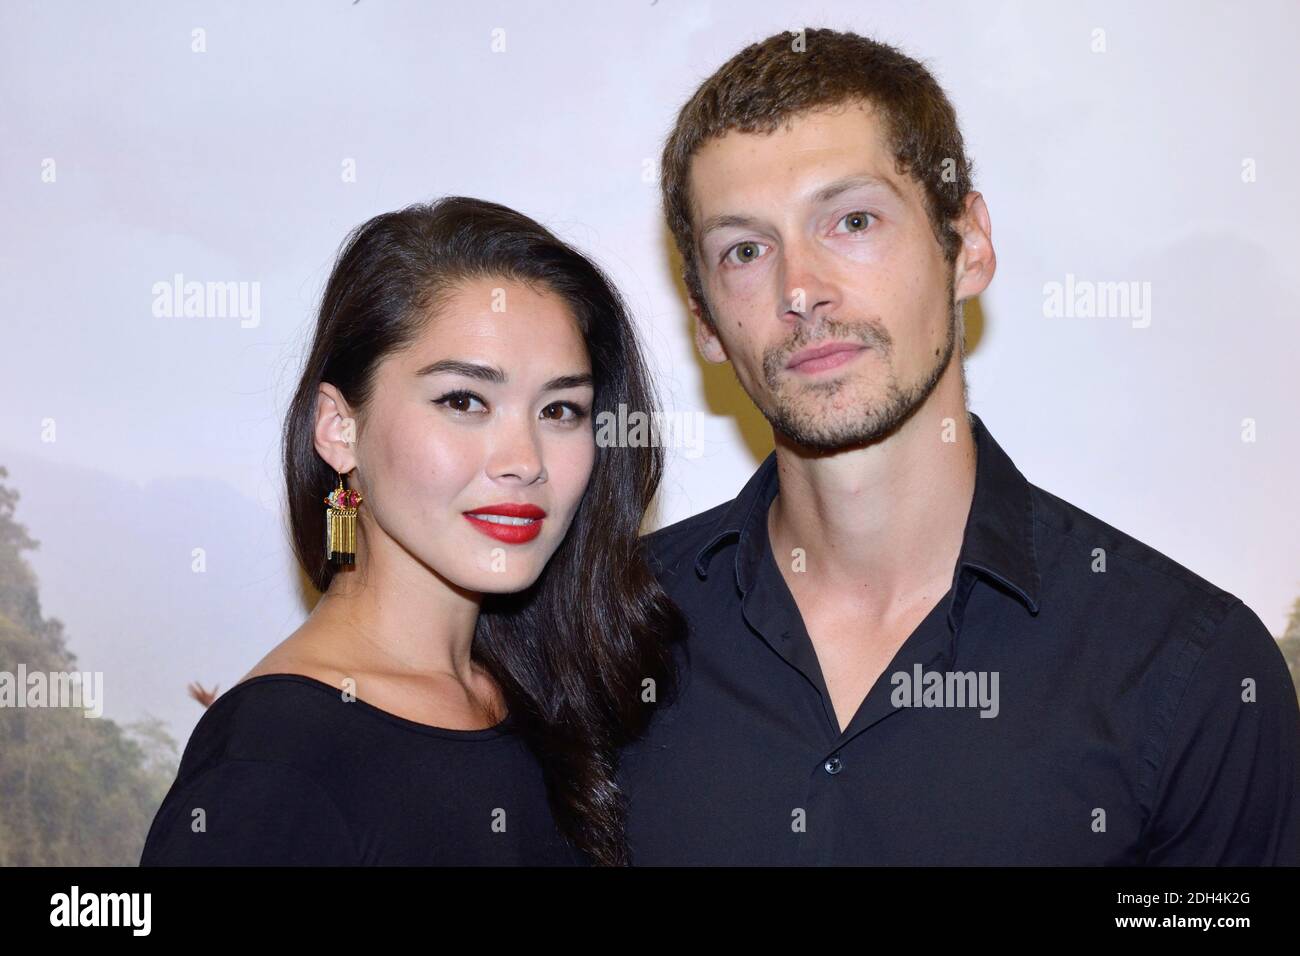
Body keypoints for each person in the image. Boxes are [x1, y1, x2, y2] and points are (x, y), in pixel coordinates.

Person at [618, 28, 1300, 864]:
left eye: (853, 220)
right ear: (706, 324)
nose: (801, 290)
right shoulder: (608, 638)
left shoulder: (1189, 670)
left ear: (967, 244)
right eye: (747, 250)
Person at [140, 197, 683, 866]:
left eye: (561, 409)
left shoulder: (547, 704)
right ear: (339, 428)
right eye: (464, 401)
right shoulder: (274, 762)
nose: (524, 461)